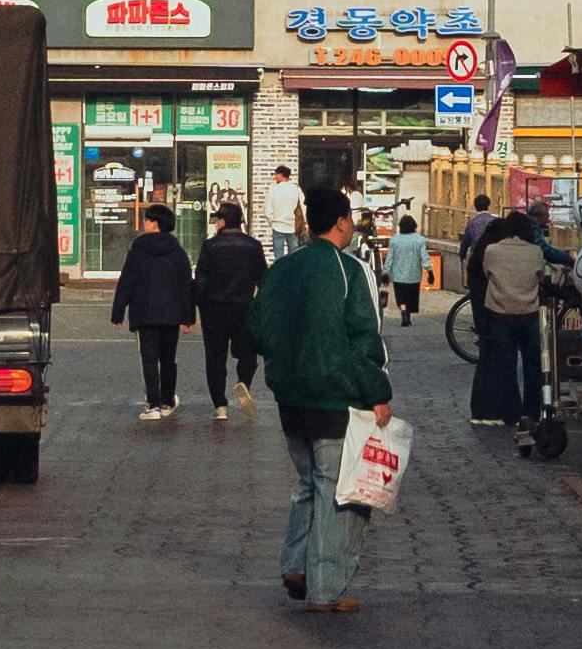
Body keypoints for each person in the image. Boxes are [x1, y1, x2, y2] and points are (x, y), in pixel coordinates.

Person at [250, 195, 397, 607]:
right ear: (341, 222)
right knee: (336, 490)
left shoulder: (281, 268)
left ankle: (295, 564)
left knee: (307, 482)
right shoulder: (350, 270)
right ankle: (326, 588)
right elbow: (365, 336)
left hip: (289, 396)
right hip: (335, 398)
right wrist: (378, 394)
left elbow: (255, 327)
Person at [468, 205, 552, 428]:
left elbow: (488, 273)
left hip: (500, 314)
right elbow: (540, 276)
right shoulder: (535, 251)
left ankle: (512, 413)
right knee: (533, 365)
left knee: (506, 366)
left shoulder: (492, 251)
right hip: (529, 313)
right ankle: (533, 411)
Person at [109, 217, 200, 422]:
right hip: (172, 313)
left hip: (144, 312)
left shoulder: (138, 251)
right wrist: (189, 317)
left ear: (155, 224)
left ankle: (153, 405)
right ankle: (167, 401)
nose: (144, 223)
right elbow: (186, 285)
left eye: (147, 220)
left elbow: (126, 282)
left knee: (149, 359)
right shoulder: (178, 252)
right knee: (168, 359)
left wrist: (118, 312)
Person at [192, 202, 268, 424]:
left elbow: (201, 280)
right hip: (244, 306)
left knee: (215, 356)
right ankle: (244, 381)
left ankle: (220, 405)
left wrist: (198, 305)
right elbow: (263, 279)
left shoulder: (210, 246)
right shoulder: (253, 246)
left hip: (214, 309)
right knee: (248, 352)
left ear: (223, 222)